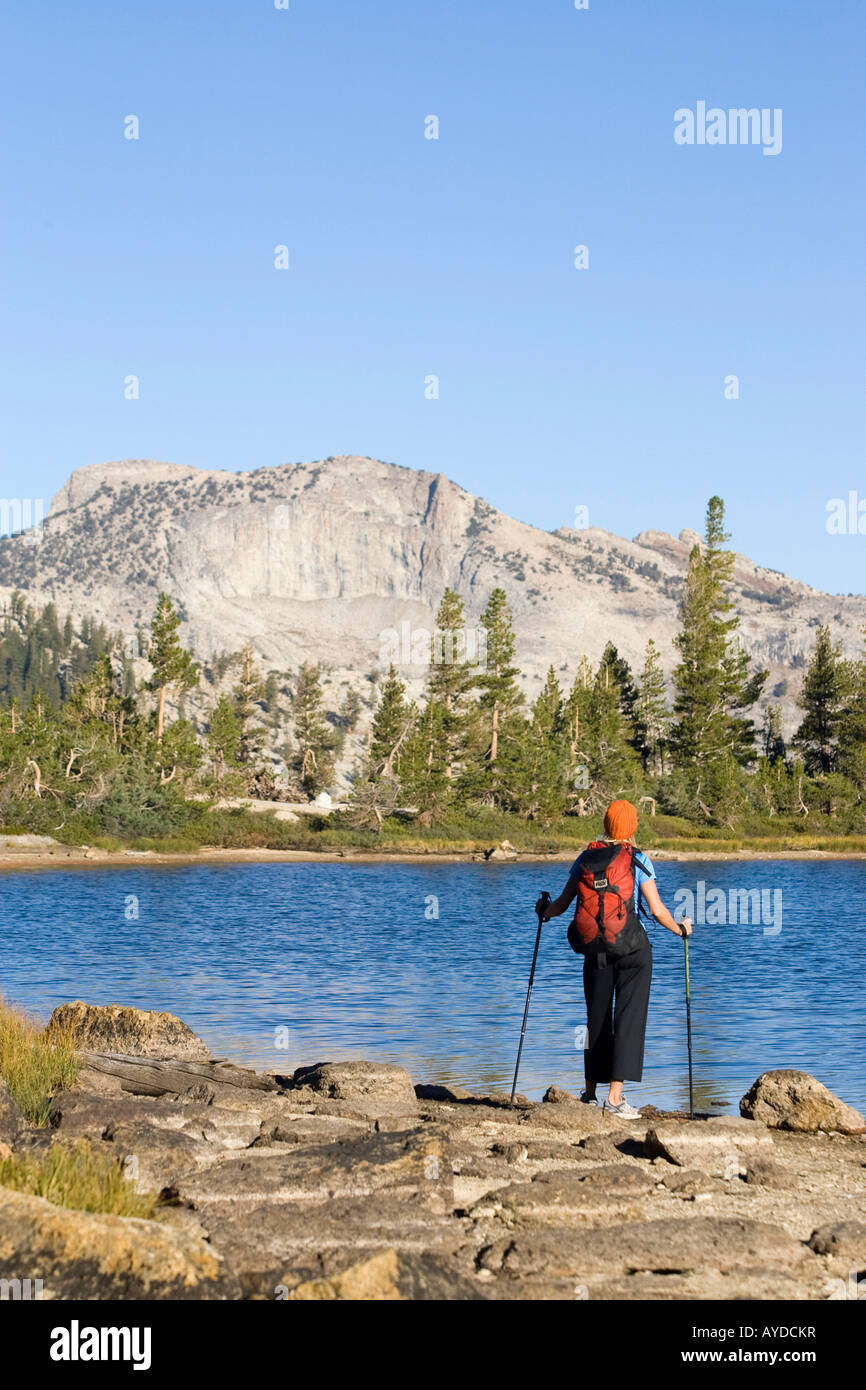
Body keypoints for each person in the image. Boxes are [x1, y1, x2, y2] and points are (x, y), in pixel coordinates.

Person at [537, 798, 692, 1119]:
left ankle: (591, 1095)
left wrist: (544, 913)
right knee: (628, 1020)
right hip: (633, 952)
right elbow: (656, 910)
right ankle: (615, 1098)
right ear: (632, 828)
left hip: (595, 951)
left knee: (596, 1021)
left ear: (606, 825)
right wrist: (681, 930)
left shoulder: (584, 858)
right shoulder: (637, 858)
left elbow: (563, 904)